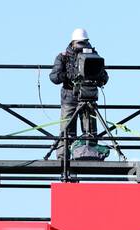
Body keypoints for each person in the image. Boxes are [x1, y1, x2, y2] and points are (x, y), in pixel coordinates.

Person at [49, 28, 108, 160]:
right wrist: (68, 75)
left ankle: (90, 154)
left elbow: (104, 77)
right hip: (69, 96)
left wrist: (98, 76)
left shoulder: (94, 56)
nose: (82, 46)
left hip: (88, 95)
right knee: (66, 129)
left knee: (90, 130)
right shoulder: (63, 57)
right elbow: (54, 77)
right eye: (80, 43)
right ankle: (63, 158)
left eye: (84, 42)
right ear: (73, 42)